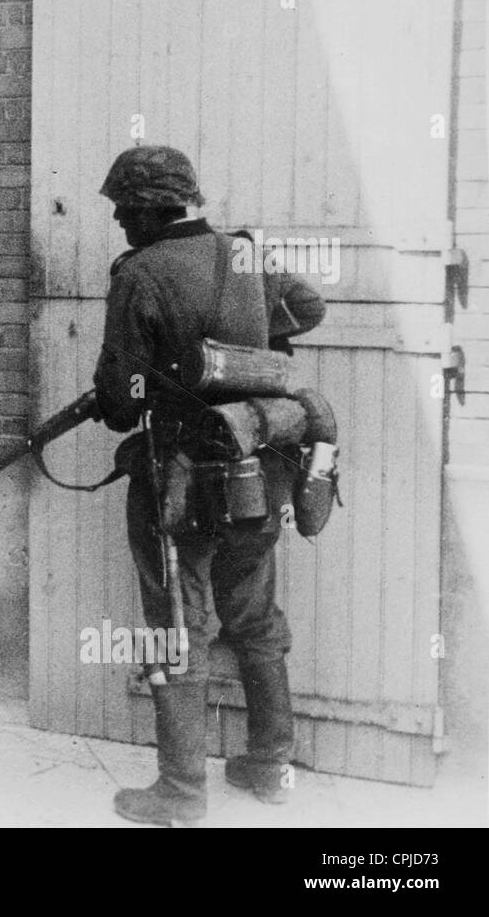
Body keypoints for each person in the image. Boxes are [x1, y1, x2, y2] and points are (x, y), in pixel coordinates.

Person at [91, 145, 325, 825]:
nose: (120, 224)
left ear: (146, 208)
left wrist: (174, 373)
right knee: (255, 620)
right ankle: (270, 765)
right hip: (259, 473)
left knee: (177, 630)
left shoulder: (139, 273)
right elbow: (309, 308)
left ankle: (181, 793)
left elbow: (118, 402)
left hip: (181, 483)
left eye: (122, 211)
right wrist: (247, 357)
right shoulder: (245, 253)